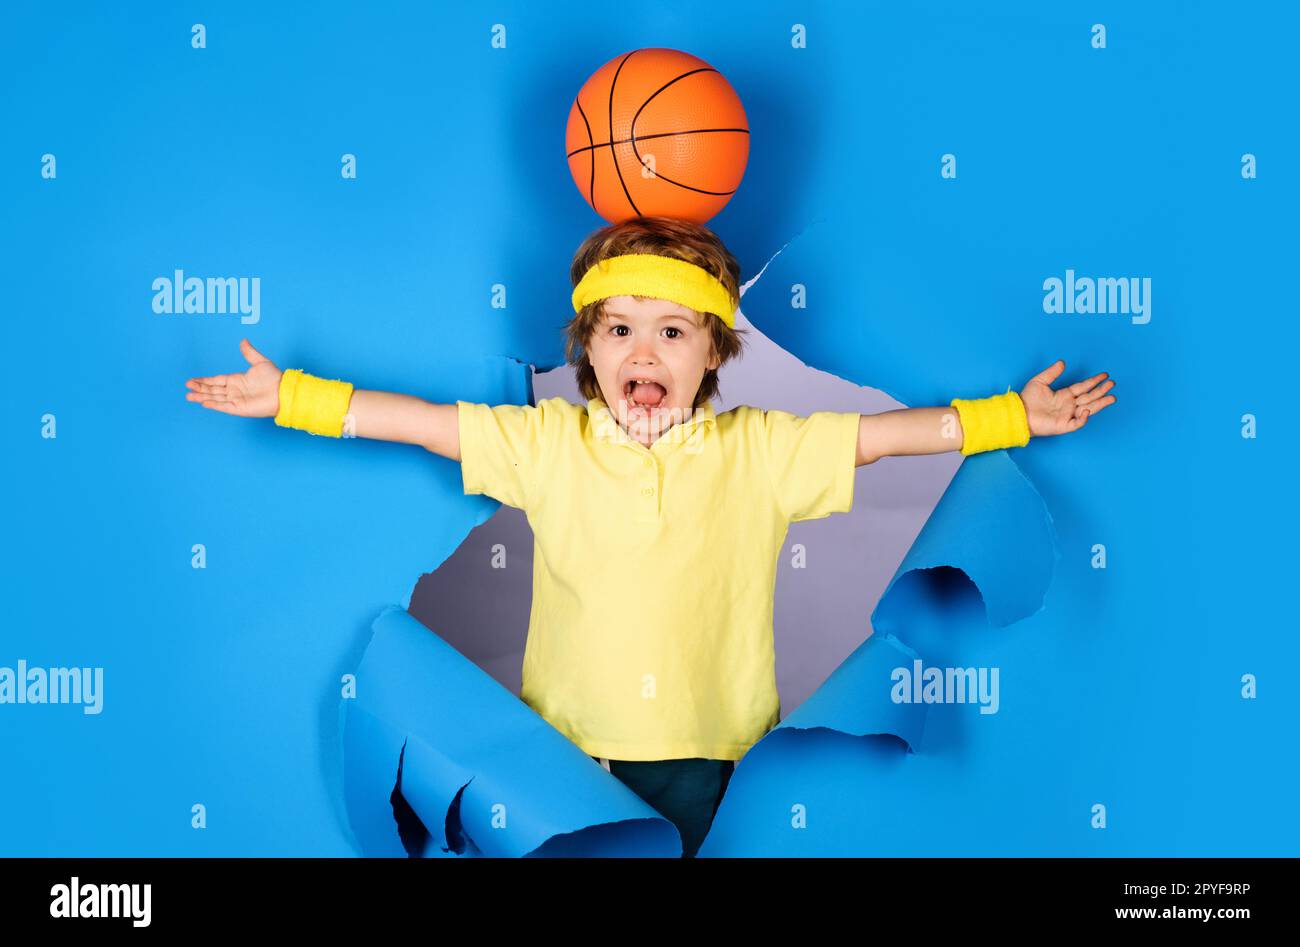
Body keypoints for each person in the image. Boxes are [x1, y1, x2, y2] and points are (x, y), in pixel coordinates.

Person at [184, 215, 1116, 857]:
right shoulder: (544, 440)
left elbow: (892, 437)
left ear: (714, 351)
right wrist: (292, 399)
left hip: (709, 755)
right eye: (619, 328)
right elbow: (420, 421)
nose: (643, 352)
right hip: (566, 747)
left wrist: (1014, 418)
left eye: (673, 331)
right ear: (586, 348)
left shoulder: (762, 450)